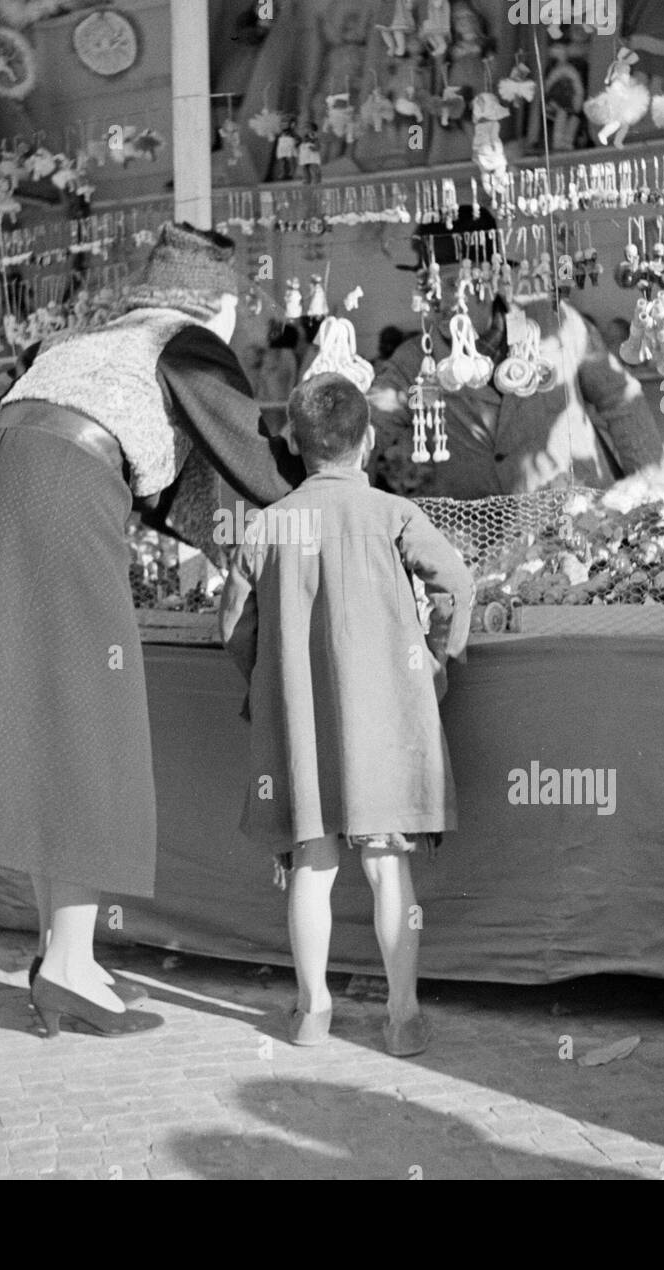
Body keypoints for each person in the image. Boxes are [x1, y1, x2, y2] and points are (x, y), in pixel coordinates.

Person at [0, 223, 303, 1039]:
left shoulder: (81, 336)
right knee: (92, 724)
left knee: (41, 722)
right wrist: (327, 492)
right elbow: (252, 459)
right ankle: (67, 966)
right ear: (219, 302)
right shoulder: (191, 342)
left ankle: (70, 958)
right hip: (60, 489)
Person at [219, 374, 473, 1058]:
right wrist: (436, 659)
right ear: (365, 441)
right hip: (384, 722)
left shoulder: (266, 526)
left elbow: (234, 630)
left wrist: (271, 685)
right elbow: (454, 582)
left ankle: (310, 1011)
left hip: (299, 729)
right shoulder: (394, 515)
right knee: (388, 864)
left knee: (312, 862)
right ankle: (402, 1015)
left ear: (296, 447)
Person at [370, 296, 664, 501]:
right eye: (431, 291)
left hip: (583, 522)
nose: (444, 302)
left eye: (454, 284)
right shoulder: (415, 361)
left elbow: (620, 398)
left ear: (487, 281)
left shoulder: (554, 321)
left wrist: (652, 489)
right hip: (485, 550)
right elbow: (367, 428)